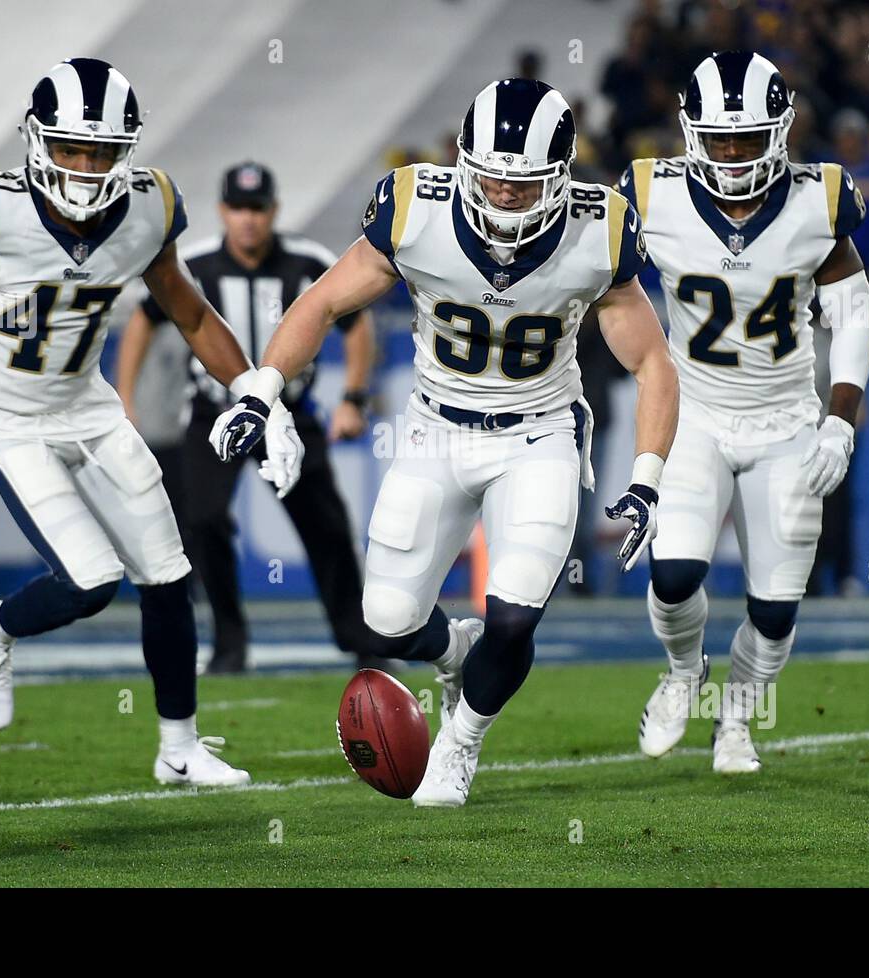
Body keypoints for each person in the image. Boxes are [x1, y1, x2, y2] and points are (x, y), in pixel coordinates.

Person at [212, 78, 678, 807]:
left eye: (523, 182)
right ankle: (456, 651)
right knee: (387, 622)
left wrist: (647, 477)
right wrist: (261, 389)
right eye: (491, 176)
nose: (505, 194)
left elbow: (651, 360)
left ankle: (461, 743)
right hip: (435, 430)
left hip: (539, 434)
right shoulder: (415, 208)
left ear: (561, 175)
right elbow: (324, 301)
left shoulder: (600, 229)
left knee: (514, 616)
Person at [0, 58, 306, 787]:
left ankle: (179, 749)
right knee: (90, 581)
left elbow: (190, 312)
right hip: (5, 417)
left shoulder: (147, 208)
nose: (83, 167)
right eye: (69, 149)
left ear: (126, 151)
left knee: (168, 574)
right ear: (36, 141)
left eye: (100, 151)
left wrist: (258, 395)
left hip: (89, 408)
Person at [618, 51, 869, 773]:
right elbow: (599, 286)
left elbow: (854, 315)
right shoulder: (650, 194)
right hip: (693, 415)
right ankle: (684, 672)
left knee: (776, 607)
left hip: (786, 423)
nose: (732, 154)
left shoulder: (818, 199)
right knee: (674, 576)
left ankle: (736, 717)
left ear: (781, 130)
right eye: (720, 138)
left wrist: (840, 421)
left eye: (748, 138)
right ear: (691, 131)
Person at [118, 162, 378, 673]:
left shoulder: (308, 261)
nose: (248, 219)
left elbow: (356, 324)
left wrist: (353, 397)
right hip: (215, 415)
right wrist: (125, 395)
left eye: (257, 208)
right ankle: (229, 642)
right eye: (238, 208)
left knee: (326, 526)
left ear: (274, 211)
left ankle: (360, 638)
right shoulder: (195, 264)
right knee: (202, 520)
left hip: (289, 414)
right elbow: (143, 321)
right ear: (222, 211)